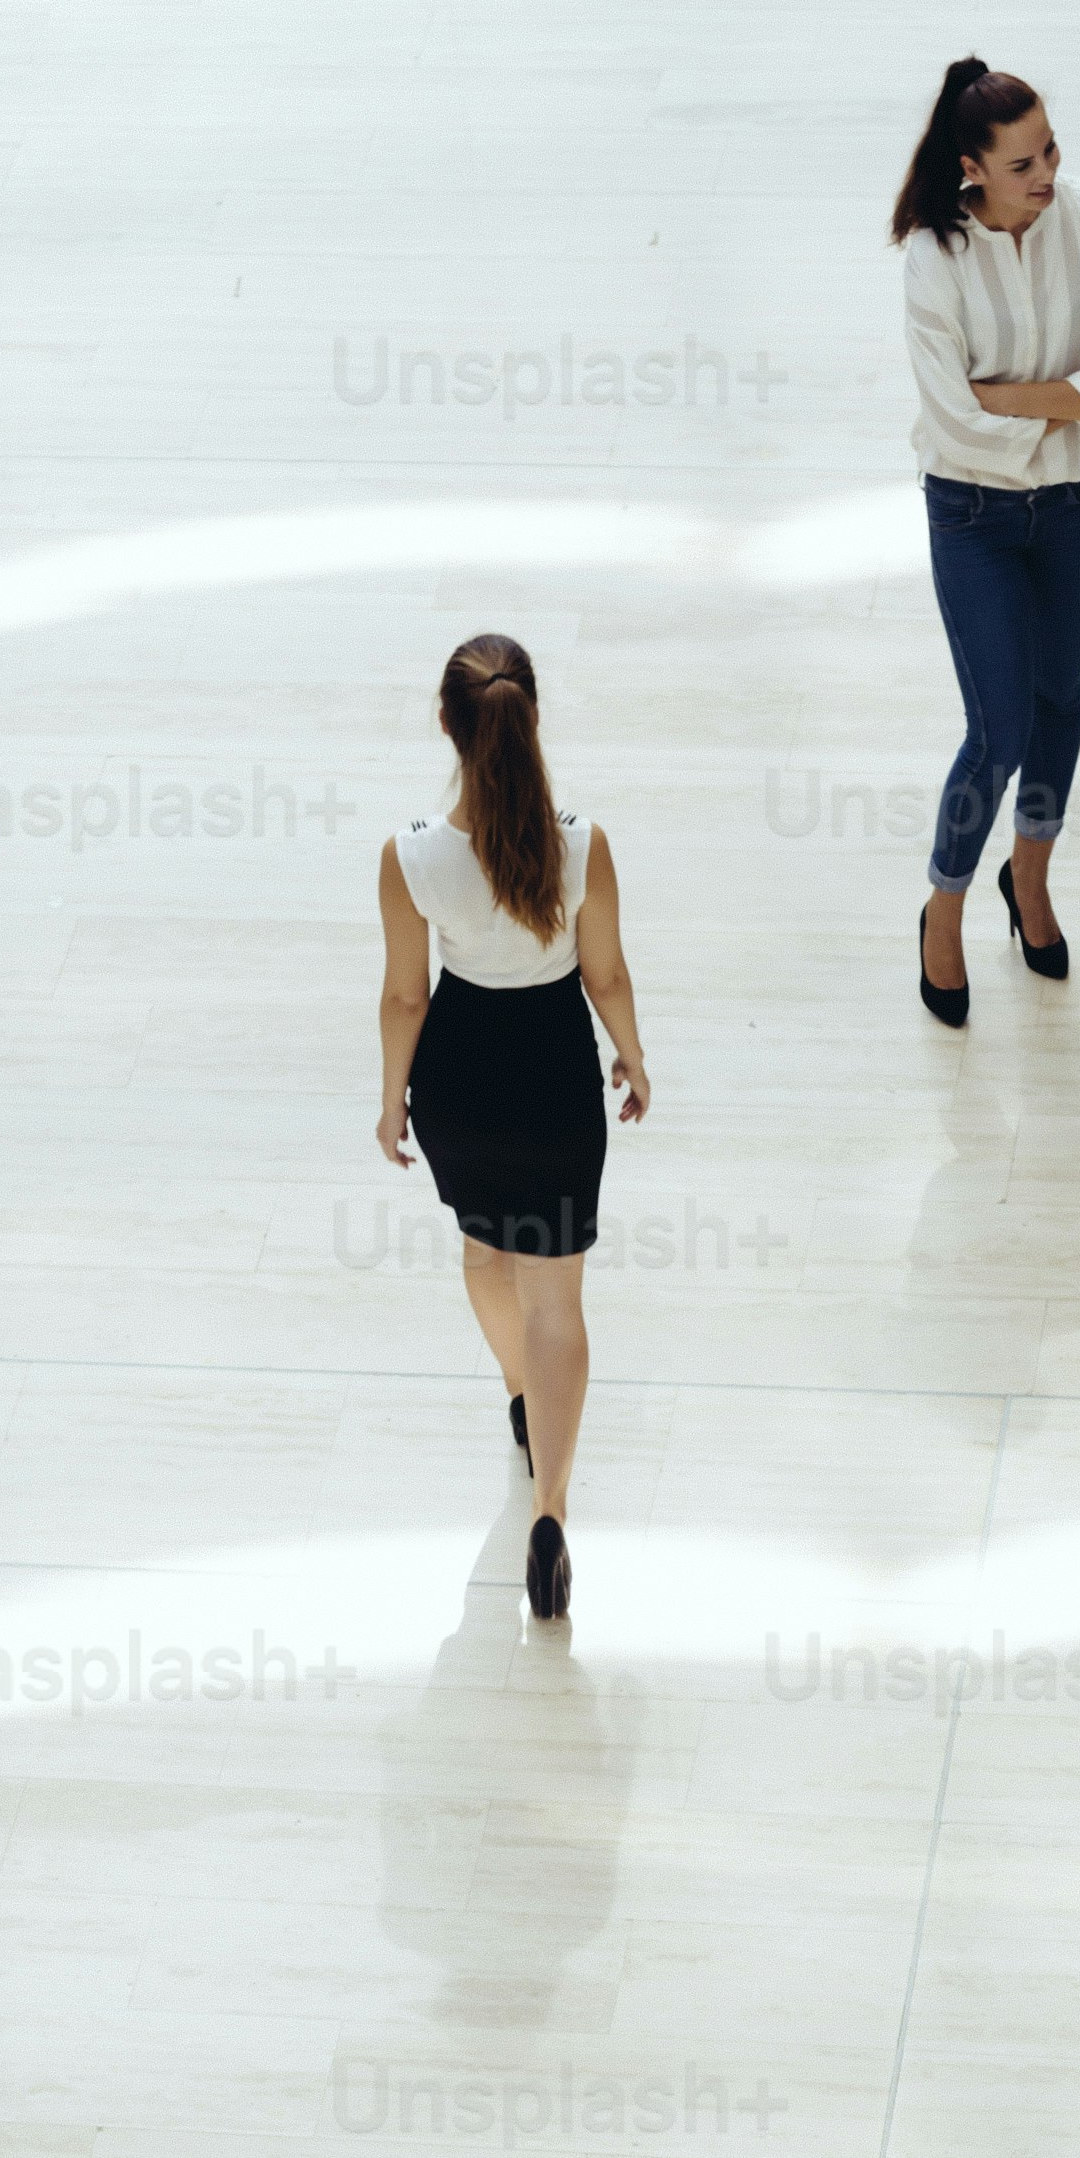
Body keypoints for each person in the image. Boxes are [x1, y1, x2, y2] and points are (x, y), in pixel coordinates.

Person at [375, 636, 647, 1628]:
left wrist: (393, 1097)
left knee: (486, 1260)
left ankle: (522, 1399)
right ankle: (551, 1506)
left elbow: (405, 996)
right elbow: (606, 974)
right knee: (558, 1294)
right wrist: (631, 1052)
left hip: (461, 1079)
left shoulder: (411, 858)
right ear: (532, 718)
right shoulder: (584, 844)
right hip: (553, 1074)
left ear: (448, 726)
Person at [894, 58, 1080, 1025]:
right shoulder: (935, 256)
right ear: (973, 169)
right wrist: (1075, 390)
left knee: (1061, 700)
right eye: (1022, 163)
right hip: (972, 514)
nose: (1046, 172)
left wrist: (1007, 396)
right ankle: (945, 906)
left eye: (1049, 148)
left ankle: (1032, 881)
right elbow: (957, 431)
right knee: (997, 728)